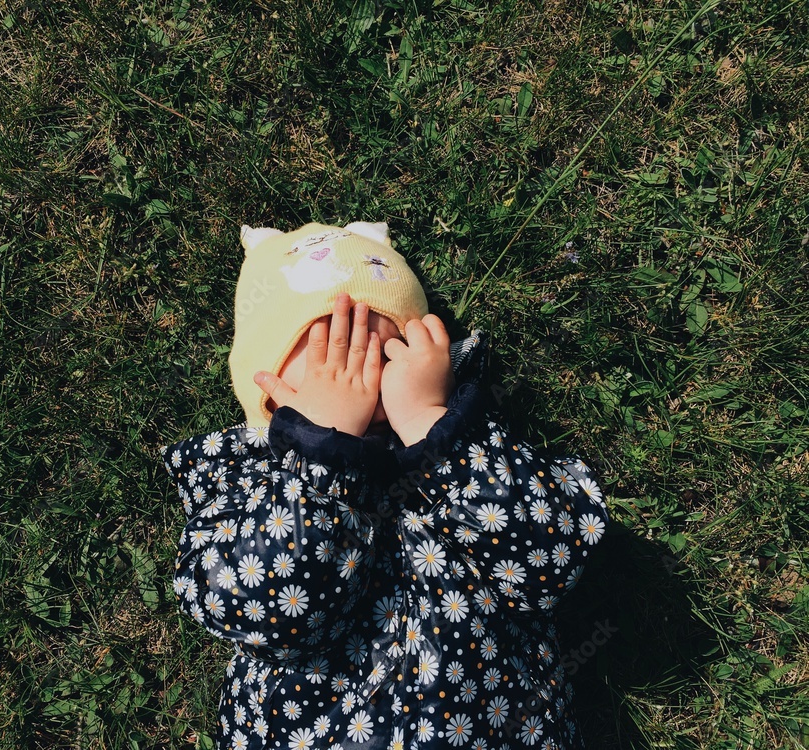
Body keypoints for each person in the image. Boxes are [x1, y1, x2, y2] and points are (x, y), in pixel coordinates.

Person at [160, 222, 608, 750]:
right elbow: (264, 611)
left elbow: (553, 561)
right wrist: (315, 458)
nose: (359, 376)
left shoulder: (475, 444)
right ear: (269, 396)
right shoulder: (243, 478)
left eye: (381, 353)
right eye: (329, 357)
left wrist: (431, 425)